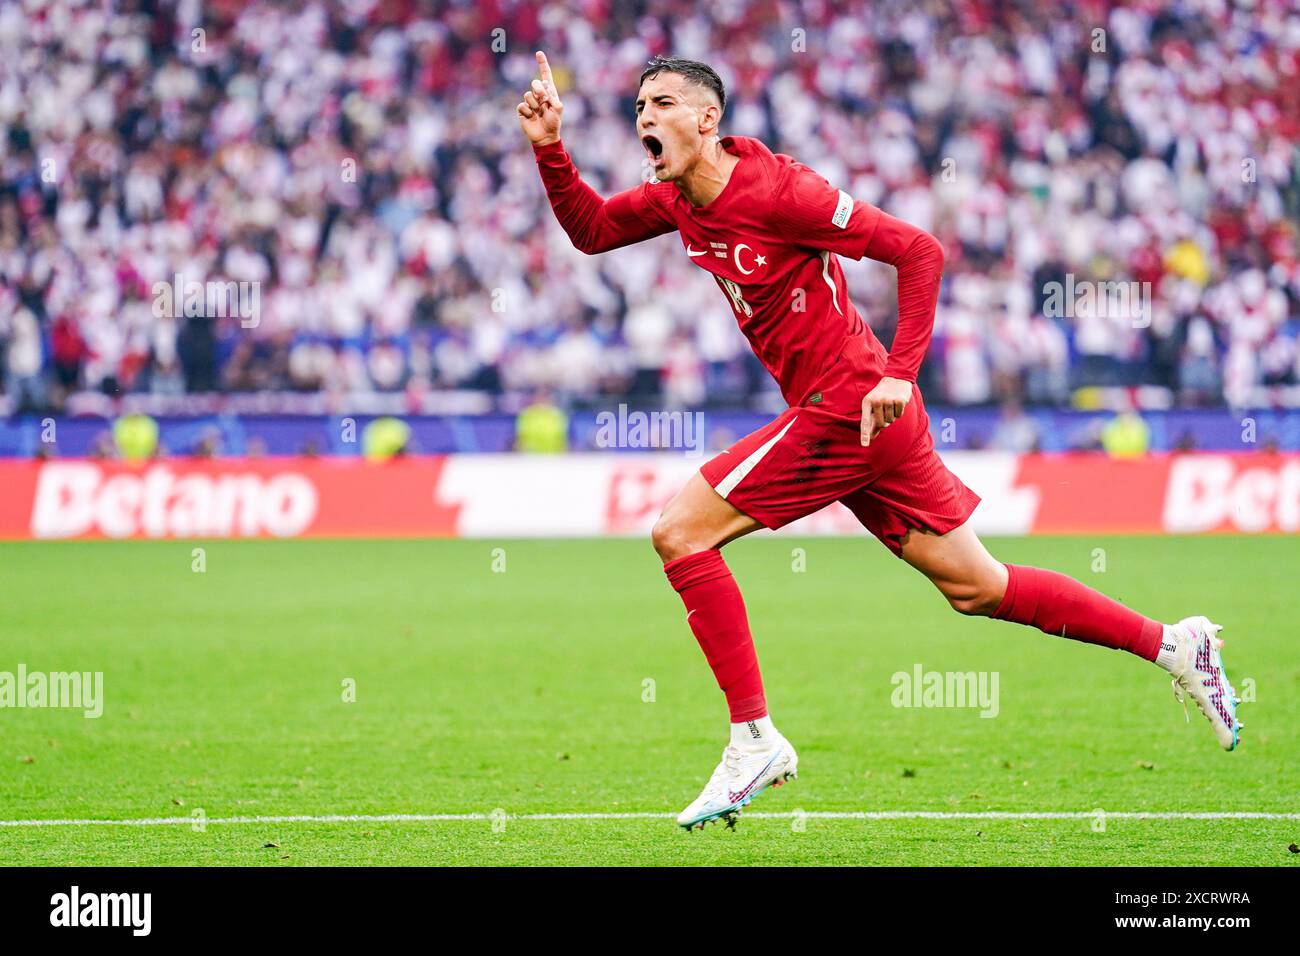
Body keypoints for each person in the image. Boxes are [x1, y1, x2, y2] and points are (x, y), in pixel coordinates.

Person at [517, 52, 1242, 831]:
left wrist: (901, 372)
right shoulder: (677, 198)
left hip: (852, 402)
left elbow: (918, 250)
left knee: (680, 533)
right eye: (637, 107)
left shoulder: (781, 191)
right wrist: (549, 146)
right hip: (859, 418)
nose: (644, 118)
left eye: (661, 103)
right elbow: (591, 231)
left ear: (707, 119)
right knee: (978, 586)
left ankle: (753, 738)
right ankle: (1175, 645)